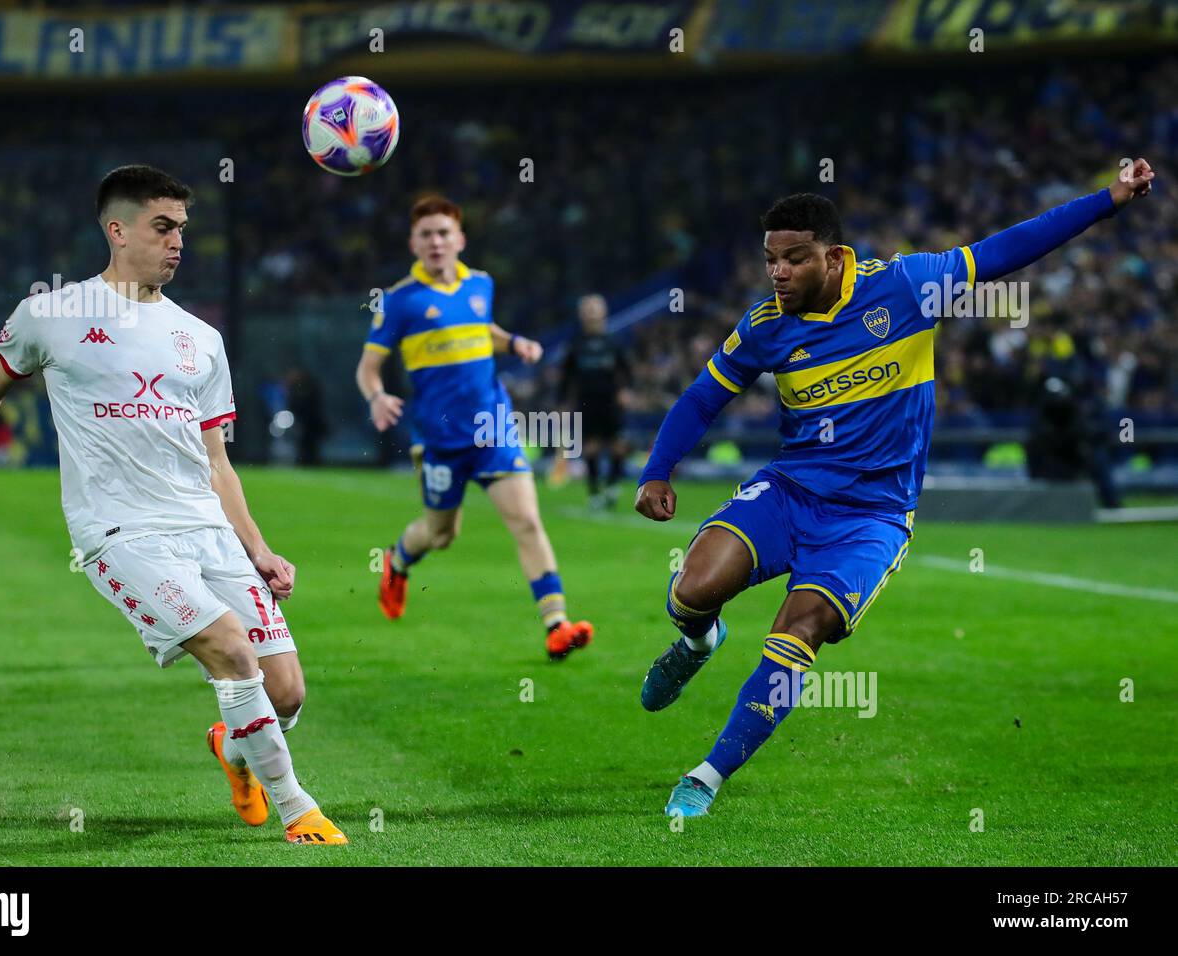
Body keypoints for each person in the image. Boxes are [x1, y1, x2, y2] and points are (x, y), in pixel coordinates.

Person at [635, 160, 1154, 817]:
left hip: (871, 518)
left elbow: (1007, 249)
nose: (780, 273)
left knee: (802, 627)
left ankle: (705, 776)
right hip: (792, 490)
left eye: (795, 259)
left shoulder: (909, 287)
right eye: (771, 260)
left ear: (835, 255)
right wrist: (658, 468)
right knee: (693, 589)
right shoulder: (766, 324)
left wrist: (1109, 199)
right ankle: (698, 643)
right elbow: (703, 397)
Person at [0, 165, 347, 845]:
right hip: (120, 533)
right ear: (117, 229)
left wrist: (258, 547)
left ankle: (233, 745)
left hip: (205, 528)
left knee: (286, 695)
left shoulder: (202, 339)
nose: (177, 243)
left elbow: (217, 461)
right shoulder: (51, 315)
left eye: (183, 230)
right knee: (230, 651)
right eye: (163, 227)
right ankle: (298, 809)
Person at [355, 194, 593, 660]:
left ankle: (556, 624)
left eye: (444, 233)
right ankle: (398, 560)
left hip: (493, 428)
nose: (437, 242)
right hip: (441, 437)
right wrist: (377, 395)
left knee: (526, 520)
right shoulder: (400, 302)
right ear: (414, 243)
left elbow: (483, 329)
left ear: (460, 238)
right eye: (427, 235)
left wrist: (515, 343)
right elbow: (367, 367)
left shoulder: (481, 284)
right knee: (441, 534)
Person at [557, 294, 633, 510]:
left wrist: (626, 390)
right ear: (581, 314)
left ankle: (612, 486)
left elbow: (626, 370)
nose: (591, 312)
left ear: (603, 312)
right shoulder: (575, 344)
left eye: (594, 308)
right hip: (586, 402)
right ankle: (594, 493)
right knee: (591, 448)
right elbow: (566, 376)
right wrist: (562, 402)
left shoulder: (613, 342)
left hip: (610, 400)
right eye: (587, 308)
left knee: (618, 446)